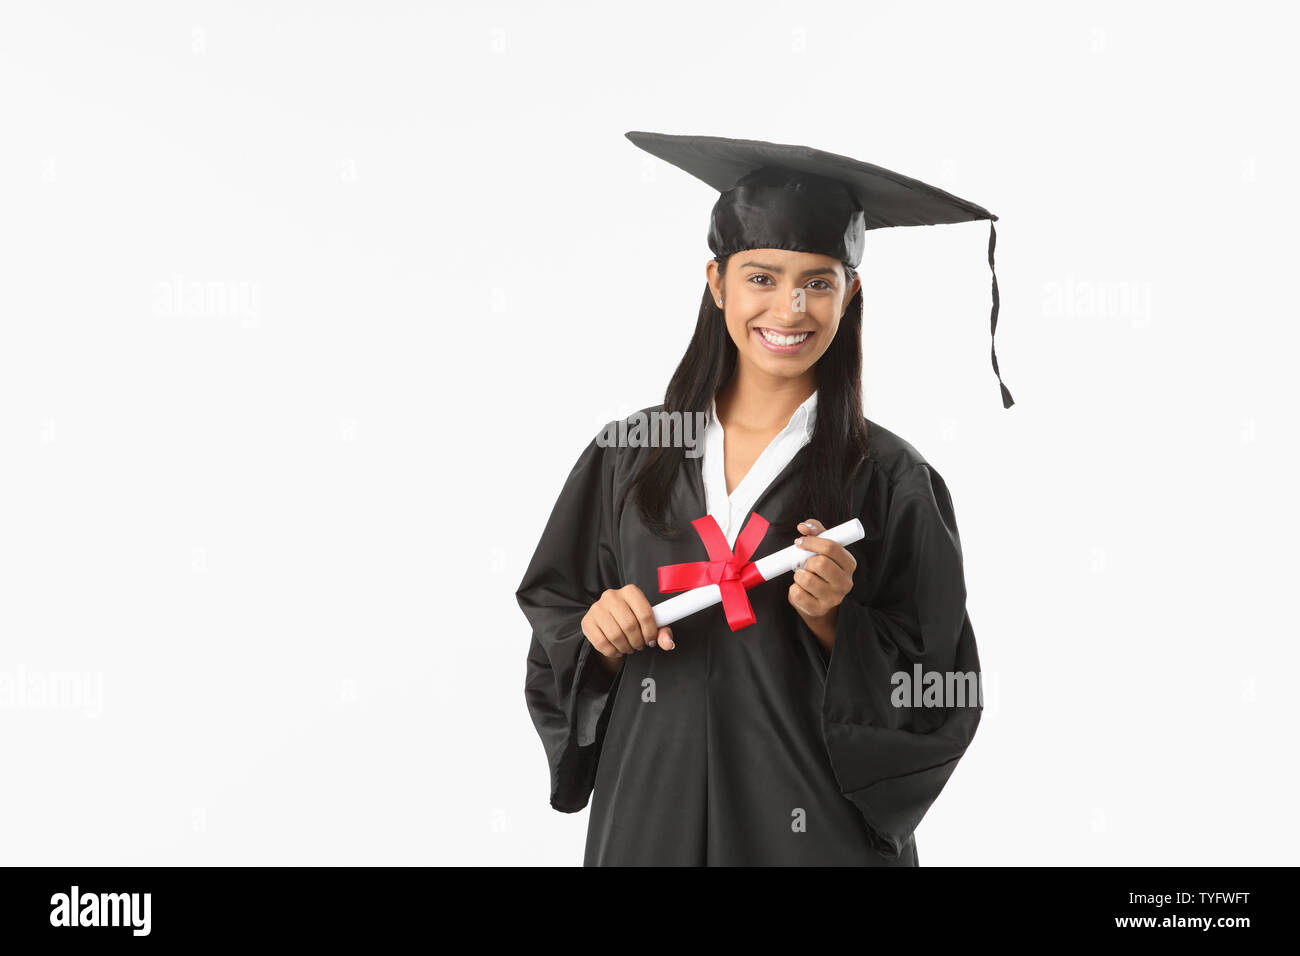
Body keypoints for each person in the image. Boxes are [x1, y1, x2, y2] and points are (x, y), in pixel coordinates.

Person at [518, 131, 1008, 866]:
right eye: (762, 278)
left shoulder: (891, 479)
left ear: (852, 293)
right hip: (652, 814)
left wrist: (837, 624)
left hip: (813, 832)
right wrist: (599, 635)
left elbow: (940, 688)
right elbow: (557, 619)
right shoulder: (628, 456)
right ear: (716, 282)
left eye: (818, 282)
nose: (790, 308)